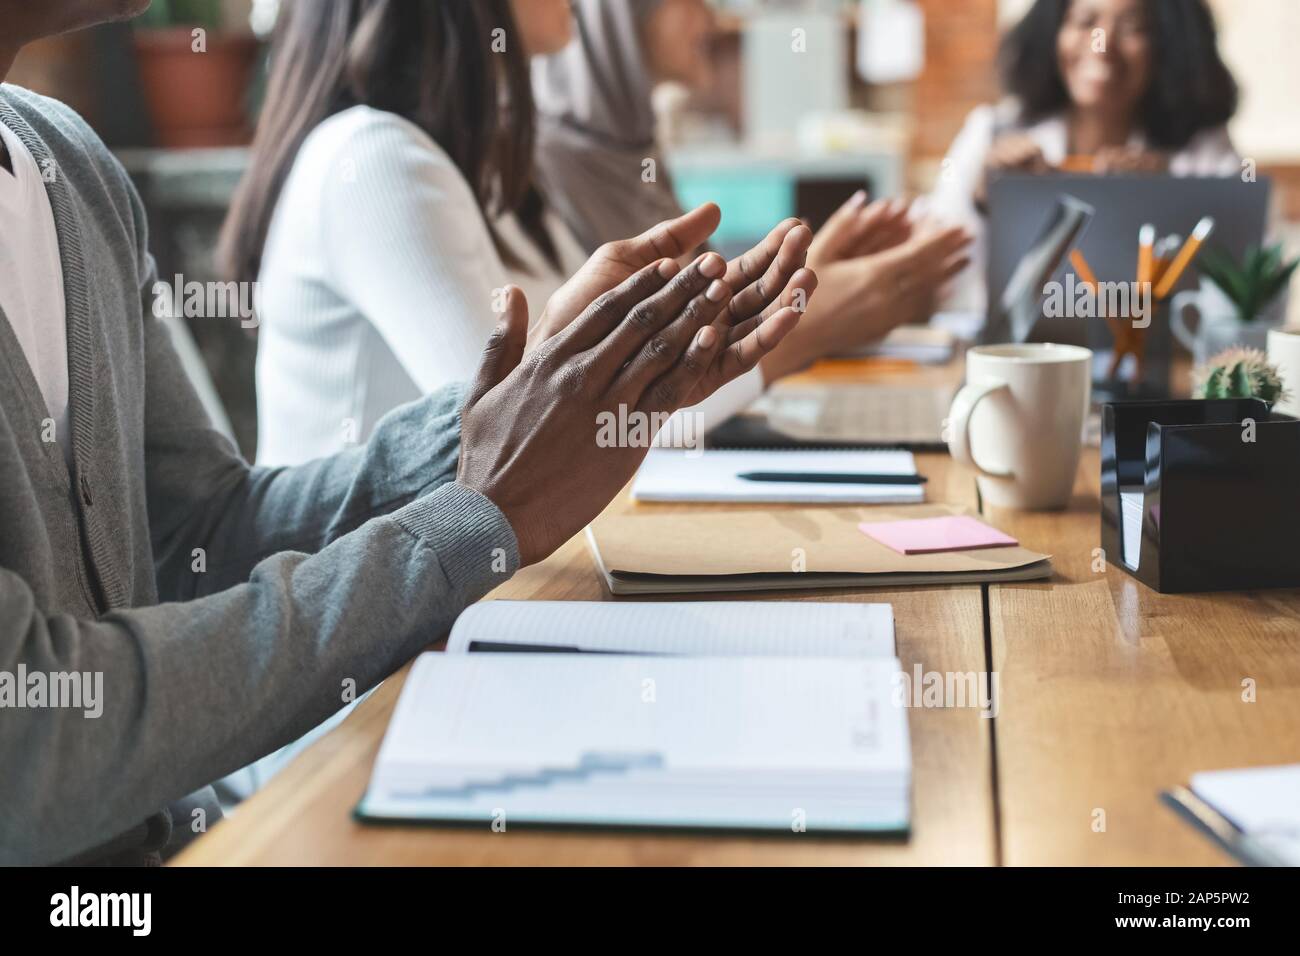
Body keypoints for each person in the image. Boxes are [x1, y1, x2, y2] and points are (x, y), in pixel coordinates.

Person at [0, 0, 812, 865]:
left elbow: (199, 536)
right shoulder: (375, 155)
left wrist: (496, 410)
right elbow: (33, 746)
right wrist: (466, 520)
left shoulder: (68, 164)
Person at [531, 0, 973, 383]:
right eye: (691, 1)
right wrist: (805, 324)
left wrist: (805, 282)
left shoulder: (630, 151)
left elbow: (697, 324)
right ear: (625, 14)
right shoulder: (546, 169)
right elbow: (622, 385)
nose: (709, 19)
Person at [927, 0, 1242, 313]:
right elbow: (932, 287)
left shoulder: (1202, 148)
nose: (1102, 45)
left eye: (1133, 27)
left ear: (1169, 44)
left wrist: (1168, 201)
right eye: (1083, 21)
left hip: (1163, 360)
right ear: (1052, 32)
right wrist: (982, 202)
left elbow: (1251, 299)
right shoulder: (992, 131)